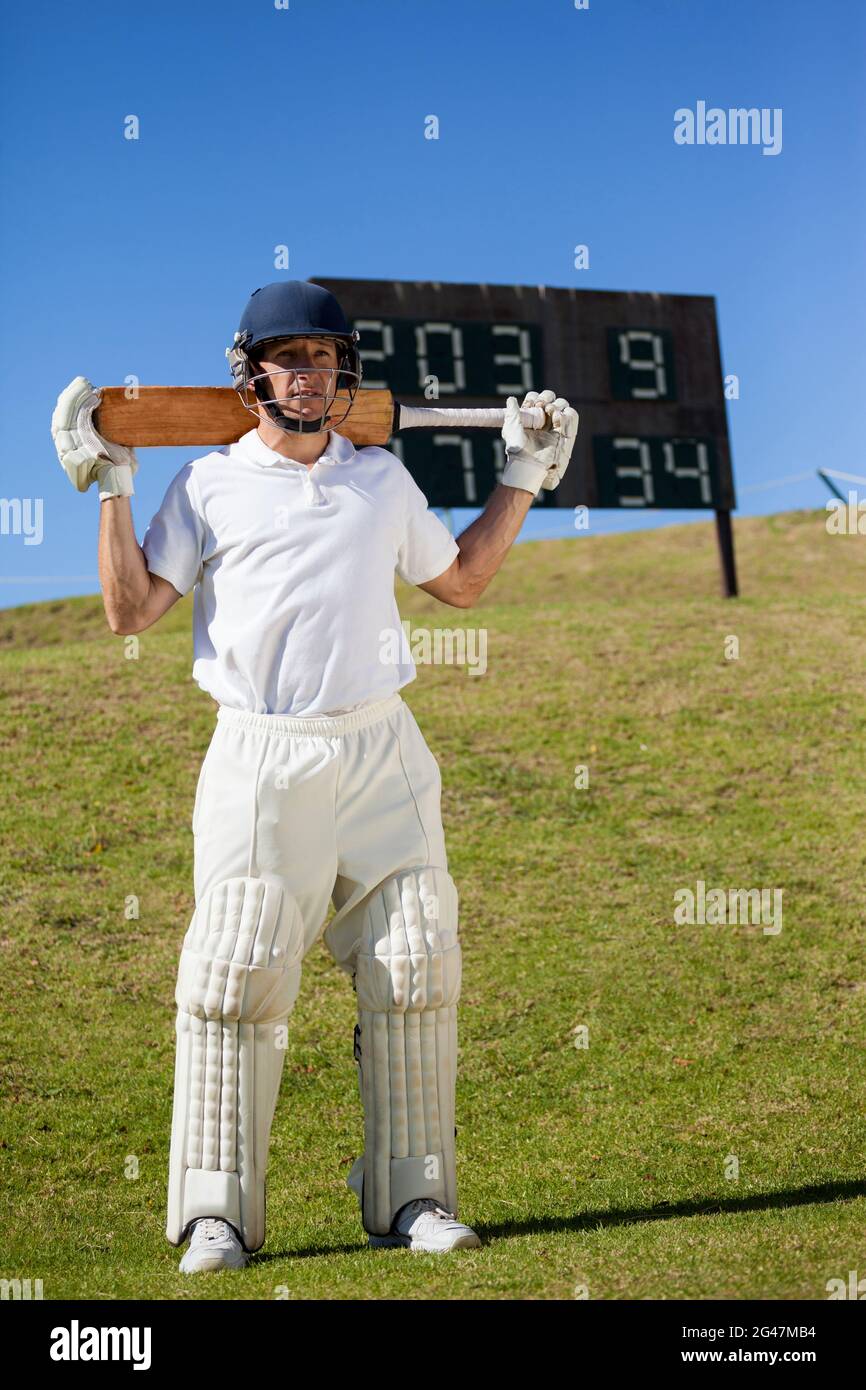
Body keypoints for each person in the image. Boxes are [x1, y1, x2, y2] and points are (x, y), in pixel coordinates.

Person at [51, 280, 578, 1272]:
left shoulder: (378, 480)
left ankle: (414, 1196)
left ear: (345, 374)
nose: (310, 375)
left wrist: (521, 472)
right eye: (290, 357)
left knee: (416, 963)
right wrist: (111, 484)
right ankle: (217, 1215)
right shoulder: (205, 485)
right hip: (259, 753)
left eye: (327, 359)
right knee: (236, 973)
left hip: (383, 746)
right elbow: (129, 613)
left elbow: (458, 583)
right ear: (249, 371)